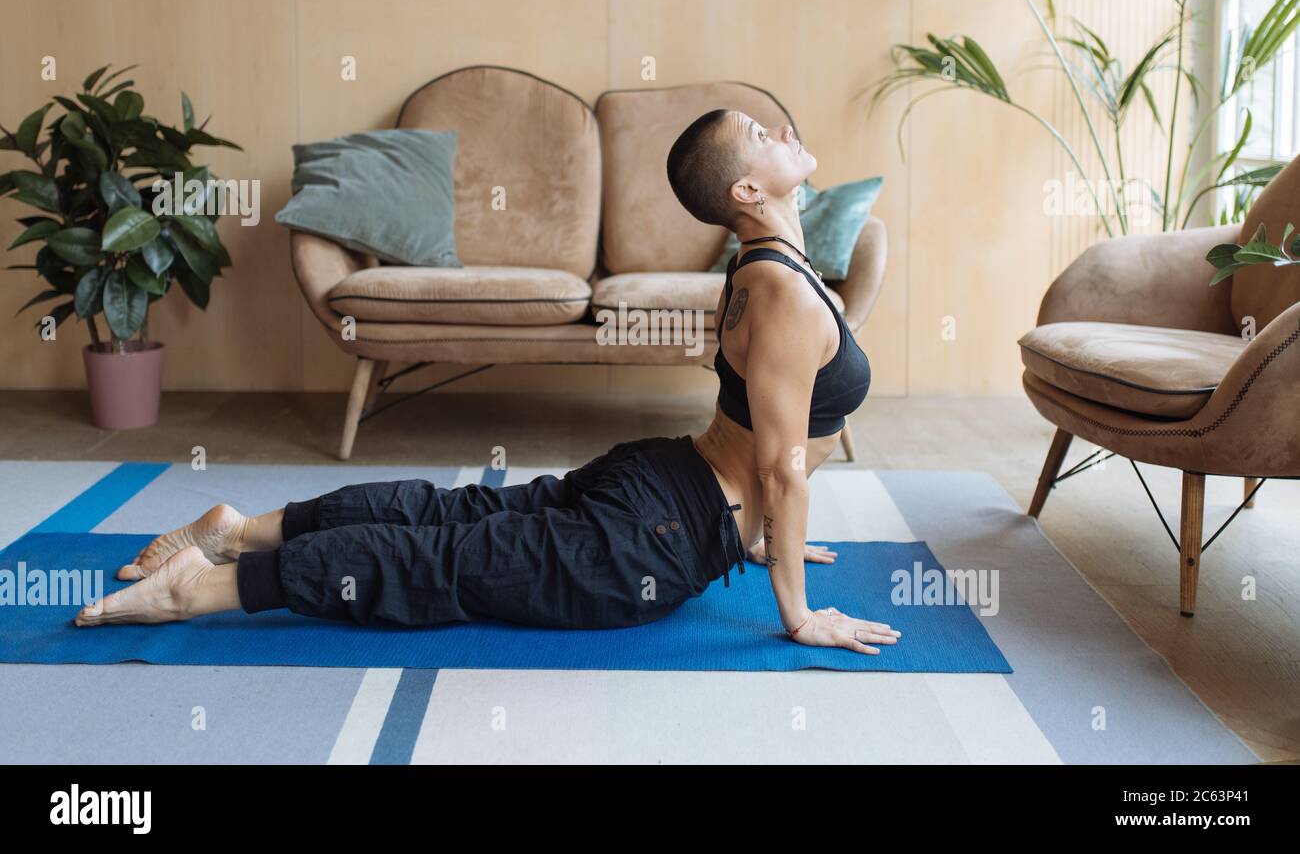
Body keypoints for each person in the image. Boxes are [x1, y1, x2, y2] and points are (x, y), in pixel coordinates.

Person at [74, 109, 899, 656]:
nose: (783, 127)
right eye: (763, 131)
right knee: (446, 564)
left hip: (659, 481)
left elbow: (756, 428)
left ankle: (244, 526)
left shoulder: (768, 271)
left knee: (455, 519)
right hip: (656, 535)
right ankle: (208, 588)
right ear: (747, 190)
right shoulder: (785, 288)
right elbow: (784, 467)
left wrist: (756, 536)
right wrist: (796, 613)